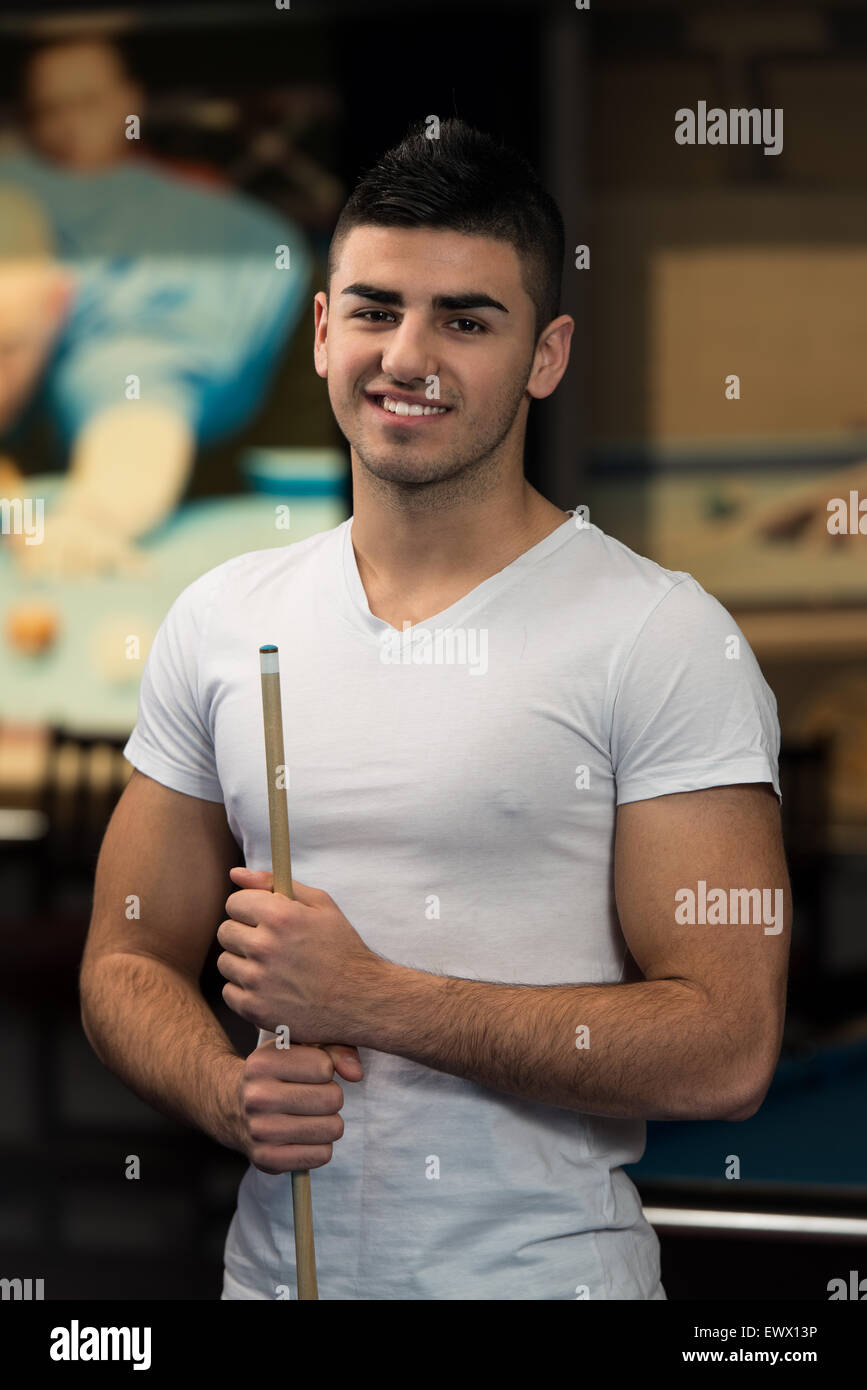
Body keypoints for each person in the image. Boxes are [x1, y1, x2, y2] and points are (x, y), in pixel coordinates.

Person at [79, 118, 791, 1300]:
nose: (408, 354)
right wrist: (222, 1090)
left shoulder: (661, 635)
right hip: (270, 1285)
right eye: (373, 309)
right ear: (321, 332)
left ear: (547, 354)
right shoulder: (221, 617)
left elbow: (727, 1048)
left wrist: (370, 998)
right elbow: (125, 953)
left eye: (466, 319)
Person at [0, 35, 312, 577]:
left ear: (58, 302)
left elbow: (137, 416)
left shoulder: (137, 307)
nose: (69, 124)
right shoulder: (23, 181)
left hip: (297, 331)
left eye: (4, 351)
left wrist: (92, 519)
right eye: (51, 108)